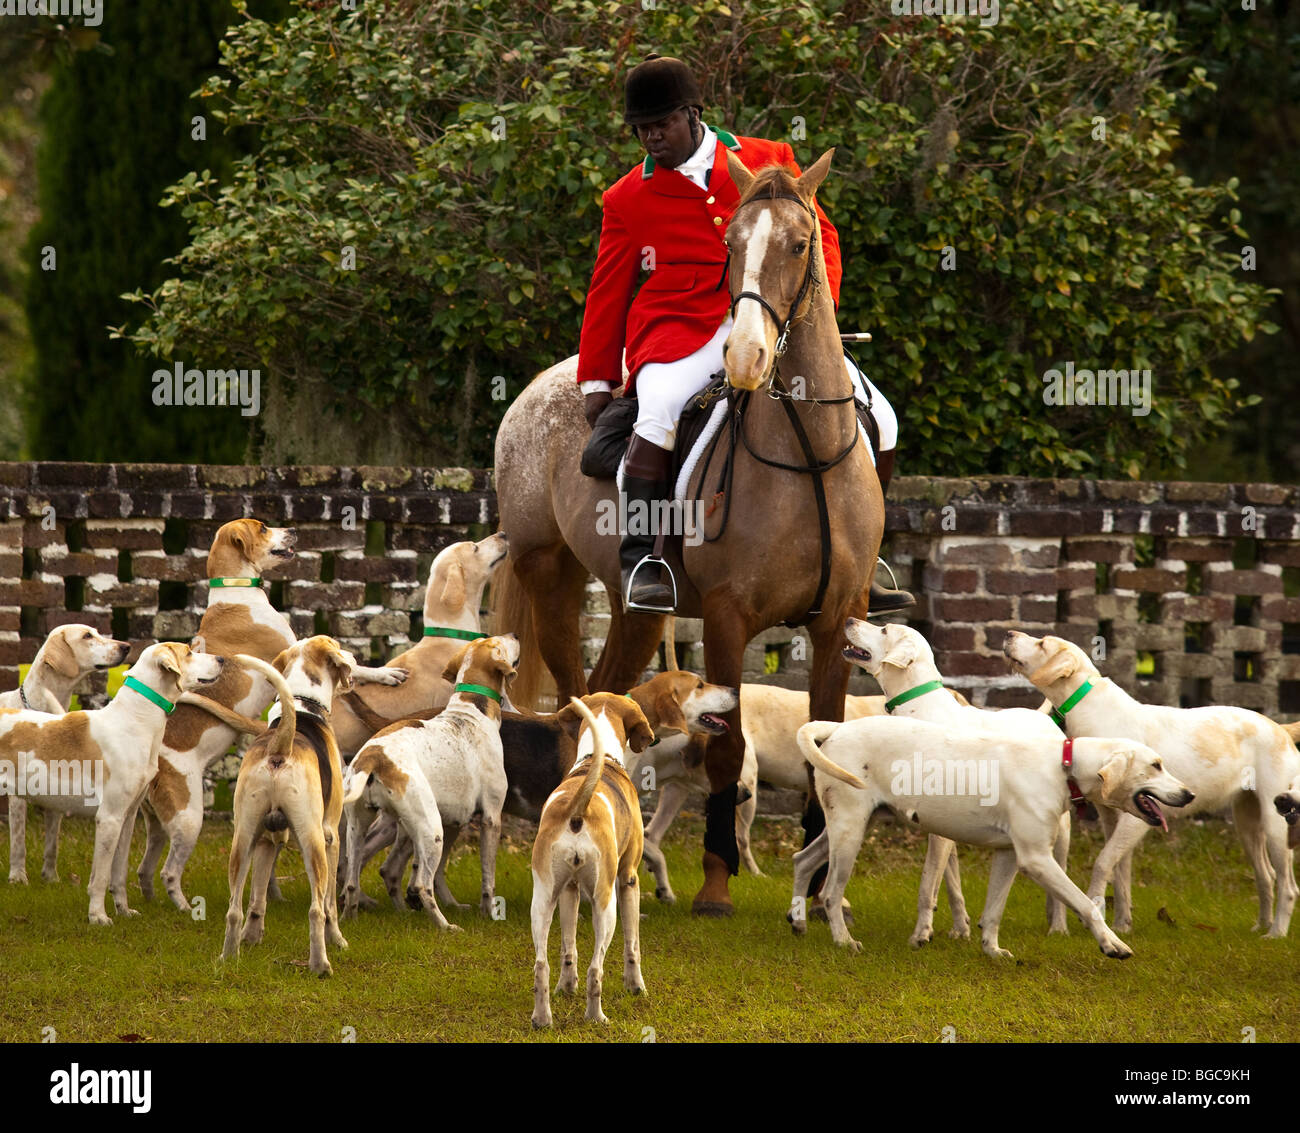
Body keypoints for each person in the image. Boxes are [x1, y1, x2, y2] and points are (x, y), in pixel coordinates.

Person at [578, 54, 912, 614]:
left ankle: (865, 558)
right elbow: (607, 288)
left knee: (882, 416)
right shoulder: (626, 197)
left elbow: (820, 233)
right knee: (658, 412)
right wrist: (597, 377)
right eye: (641, 129)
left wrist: (818, 310)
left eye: (661, 124)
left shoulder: (767, 159)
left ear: (692, 114)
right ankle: (644, 559)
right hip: (678, 328)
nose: (651, 137)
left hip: (774, 316)